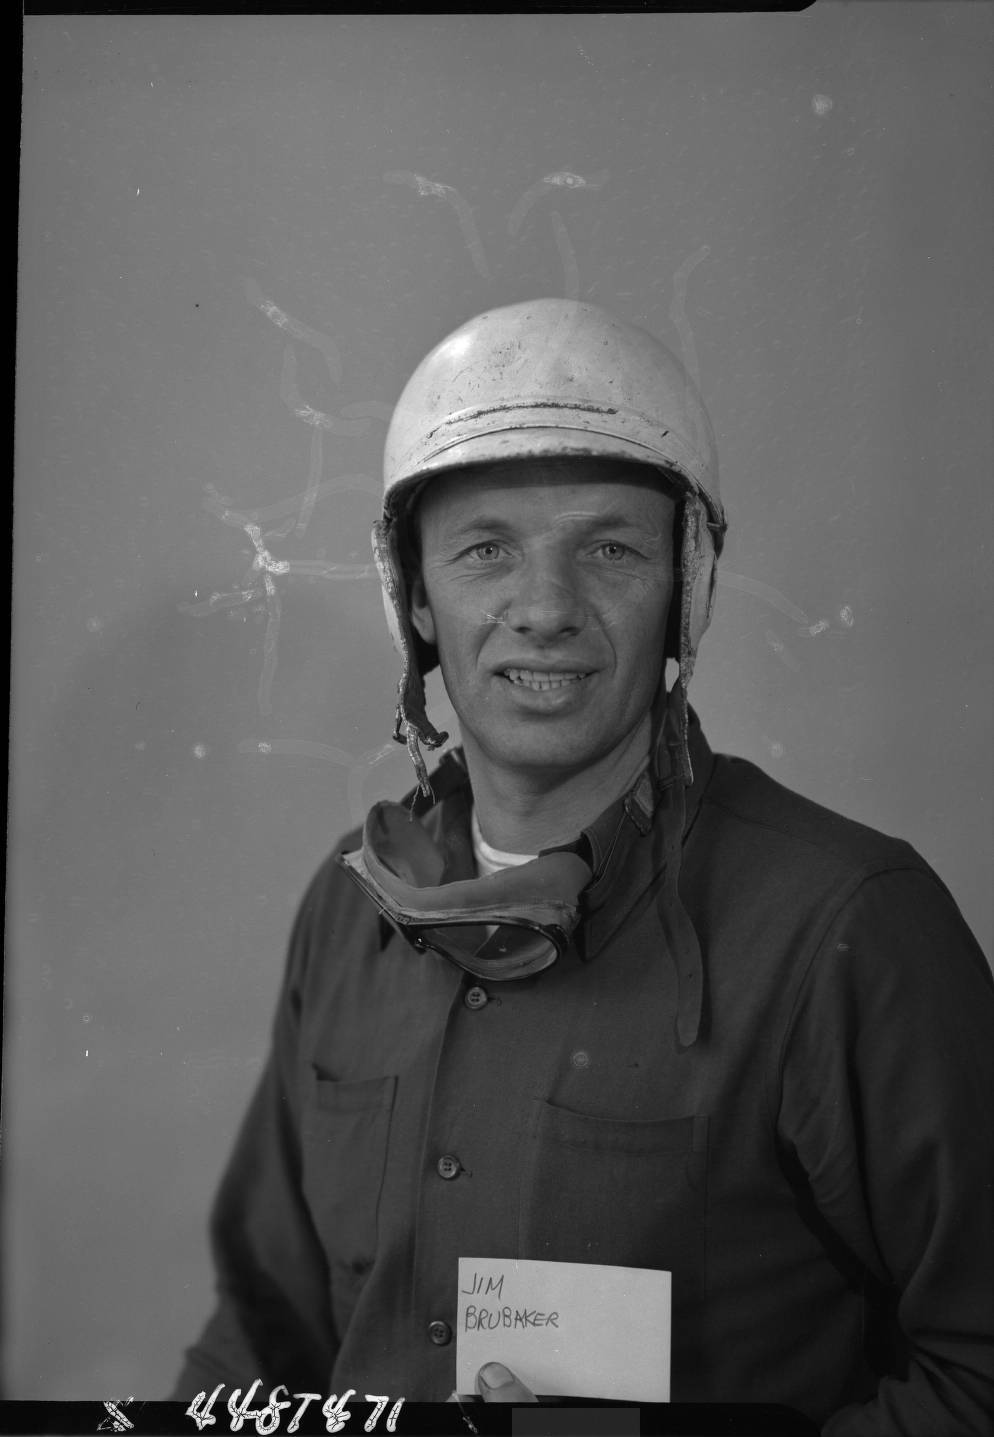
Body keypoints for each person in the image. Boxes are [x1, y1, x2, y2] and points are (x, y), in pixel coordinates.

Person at [175, 299, 994, 1432]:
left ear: (685, 587)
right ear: (414, 598)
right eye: (484, 551)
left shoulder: (847, 928)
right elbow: (259, 1338)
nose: (545, 610)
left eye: (608, 549)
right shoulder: (348, 906)